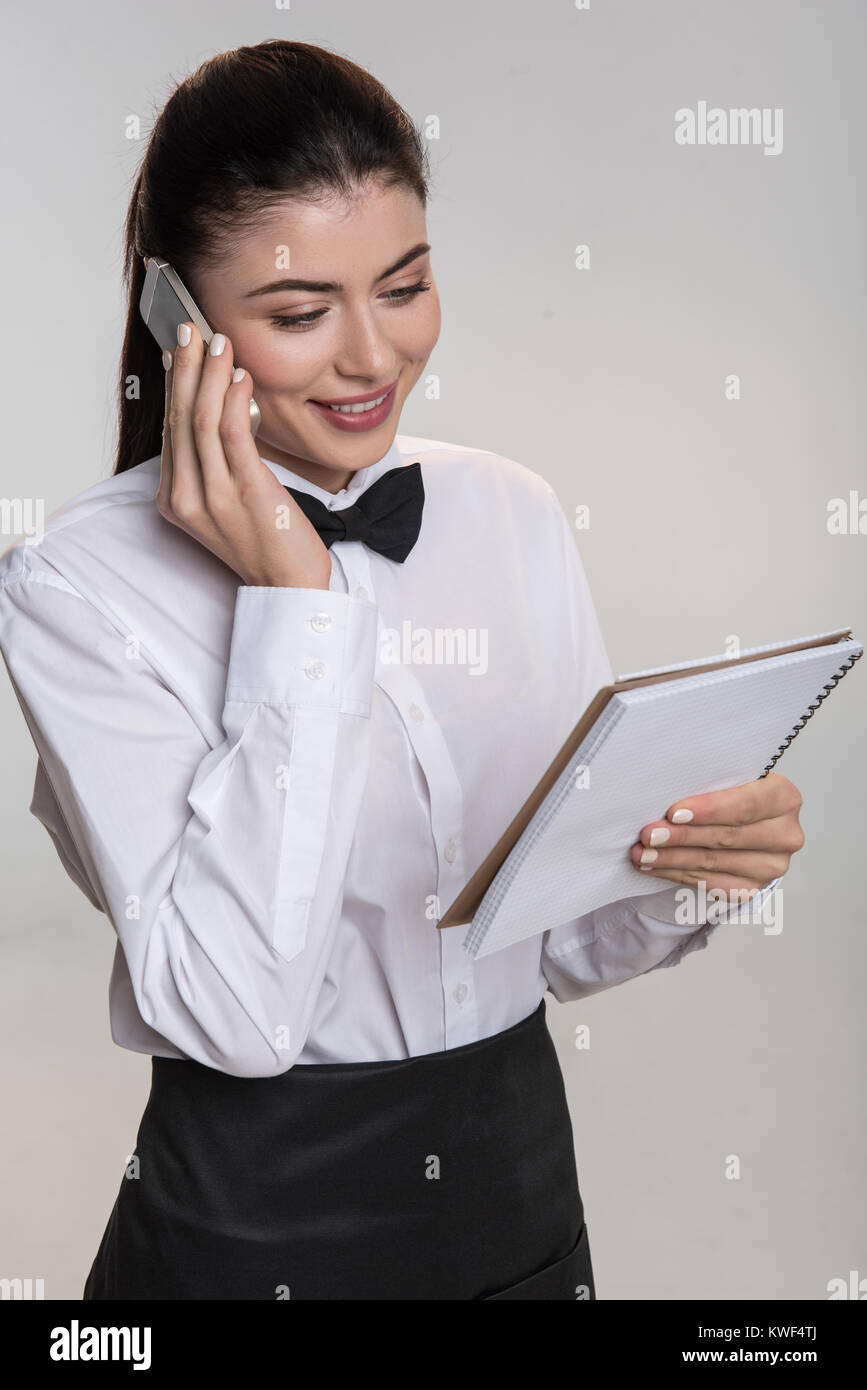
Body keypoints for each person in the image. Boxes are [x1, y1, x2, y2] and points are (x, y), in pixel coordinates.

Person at [0, 39, 804, 1301]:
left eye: (407, 284)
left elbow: (553, 944)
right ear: (183, 321)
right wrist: (296, 601)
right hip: (254, 1226)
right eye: (300, 314)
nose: (374, 359)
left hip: (521, 1189)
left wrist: (691, 869)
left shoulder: (515, 512)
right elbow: (236, 1010)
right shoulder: (75, 587)